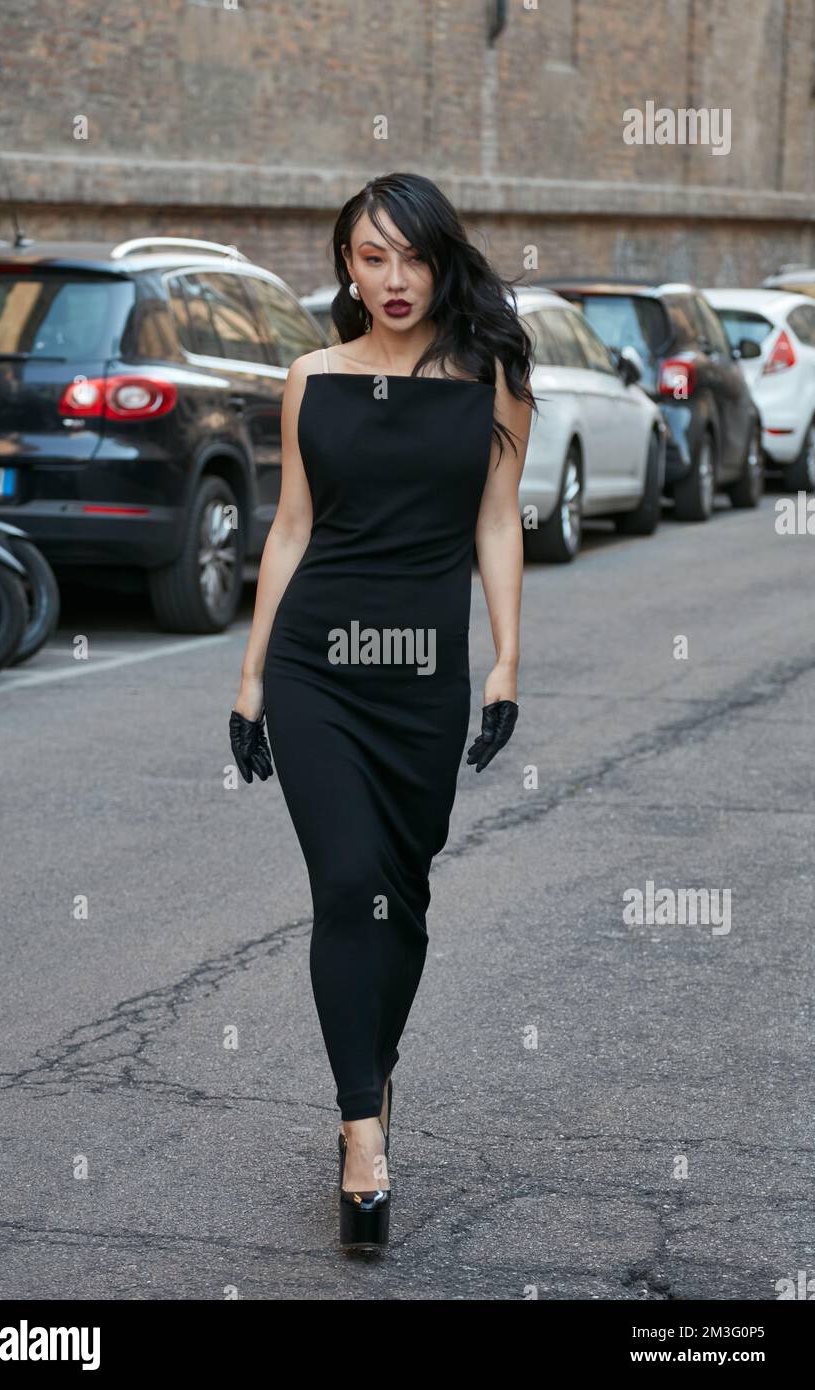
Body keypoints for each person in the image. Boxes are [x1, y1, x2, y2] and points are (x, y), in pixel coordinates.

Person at [229, 171, 534, 1250]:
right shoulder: (310, 376)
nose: (393, 278)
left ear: (440, 259)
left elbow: (498, 523)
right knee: (346, 881)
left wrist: (504, 660)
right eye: (370, 256)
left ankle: (372, 1066)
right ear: (345, 265)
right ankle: (362, 1132)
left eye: (411, 255)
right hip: (316, 666)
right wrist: (253, 679)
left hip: (419, 676)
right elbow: (290, 530)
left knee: (397, 900)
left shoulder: (488, 375)